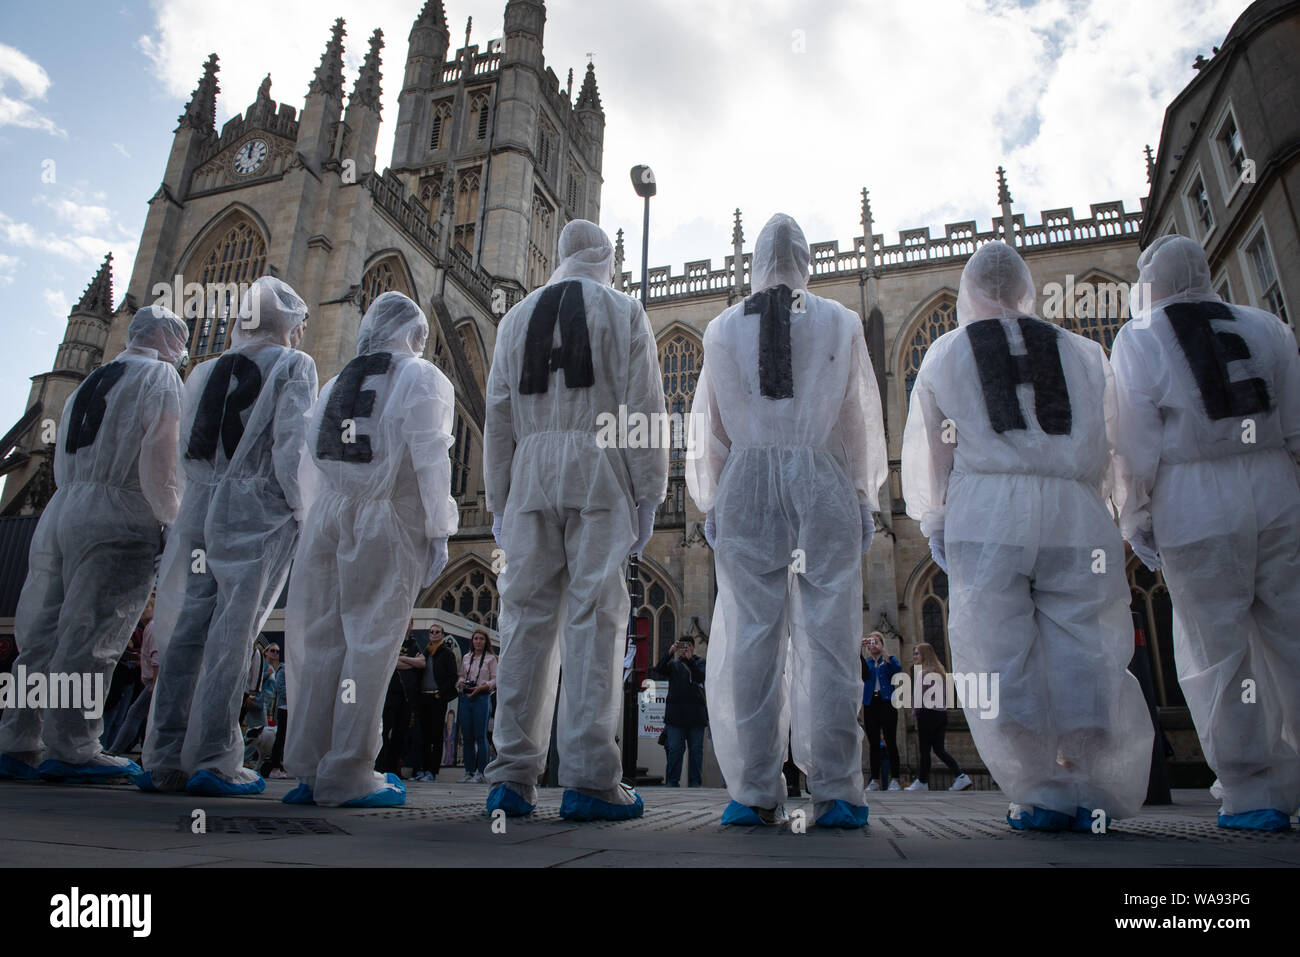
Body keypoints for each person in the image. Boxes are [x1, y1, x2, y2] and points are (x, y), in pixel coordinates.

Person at [901, 240, 1152, 832]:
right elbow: (1119, 442)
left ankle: (1039, 788)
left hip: (987, 510)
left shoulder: (944, 353)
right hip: (1075, 507)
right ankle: (1091, 783)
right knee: (1087, 648)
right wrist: (1122, 507)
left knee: (997, 656)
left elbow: (933, 452)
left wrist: (935, 520)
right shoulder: (1086, 352)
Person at [686, 213, 888, 828]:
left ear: (754, 264)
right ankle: (837, 791)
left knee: (752, 638)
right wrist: (863, 494)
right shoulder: (841, 320)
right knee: (829, 638)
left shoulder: (720, 328)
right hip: (821, 473)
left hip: (746, 481)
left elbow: (709, 427)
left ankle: (752, 791)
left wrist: (713, 499)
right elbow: (857, 420)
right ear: (806, 259)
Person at [1111, 234, 1300, 832]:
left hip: (1194, 499)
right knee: (1294, 637)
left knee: (1219, 652)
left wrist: (1135, 517)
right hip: (1274, 486)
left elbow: (1133, 447)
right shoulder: (1267, 326)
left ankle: (1252, 792)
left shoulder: (1140, 336)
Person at [482, 220, 668, 821]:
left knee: (524, 623)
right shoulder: (624, 310)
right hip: (599, 471)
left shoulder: (514, 318)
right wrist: (649, 492)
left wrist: (498, 500)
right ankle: (589, 778)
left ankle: (511, 777)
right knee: (594, 621)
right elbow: (643, 407)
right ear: (606, 259)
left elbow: (498, 419)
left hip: (532, 471)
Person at [140, 276, 317, 796]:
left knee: (187, 630)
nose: (303, 332)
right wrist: (302, 510)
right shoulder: (292, 366)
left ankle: (166, 755)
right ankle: (215, 758)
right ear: (286, 322)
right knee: (233, 632)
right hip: (252, 510)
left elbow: (182, 453)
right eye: (299, 322)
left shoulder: (203, 370)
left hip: (199, 505)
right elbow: (290, 450)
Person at [283, 291, 456, 808]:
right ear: (412, 334)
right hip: (385, 516)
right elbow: (431, 458)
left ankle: (311, 768)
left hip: (329, 514)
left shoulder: (337, 381)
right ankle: (351, 771)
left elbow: (307, 461)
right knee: (370, 642)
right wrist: (440, 526)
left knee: (322, 643)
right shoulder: (422, 377)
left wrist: (314, 516)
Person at [0, 304, 187, 783]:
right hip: (118, 512)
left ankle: (17, 740)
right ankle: (74, 745)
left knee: (39, 636)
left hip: (64, 507)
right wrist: (172, 518)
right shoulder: (160, 379)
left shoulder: (92, 380)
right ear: (169, 341)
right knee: (94, 635)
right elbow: (161, 457)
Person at [904, 643, 973, 792]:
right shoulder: (940, 673)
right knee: (939, 749)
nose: (914, 657)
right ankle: (960, 776)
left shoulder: (922, 674)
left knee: (924, 751)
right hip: (941, 715)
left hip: (927, 714)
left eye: (917, 653)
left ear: (924, 655)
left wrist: (915, 715)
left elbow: (918, 699)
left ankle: (922, 782)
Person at [650, 637, 708, 787]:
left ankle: (695, 783)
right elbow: (659, 670)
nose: (685, 649)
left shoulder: (701, 663)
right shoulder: (674, 665)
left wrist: (690, 661)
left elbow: (700, 677)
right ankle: (672, 782)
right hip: (675, 717)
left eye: (688, 646)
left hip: (696, 717)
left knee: (696, 752)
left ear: (693, 647)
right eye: (682, 646)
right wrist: (670, 653)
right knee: (675, 750)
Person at [107, 598, 160, 755]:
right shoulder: (151, 627)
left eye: (147, 607)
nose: (142, 611)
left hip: (153, 681)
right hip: (152, 680)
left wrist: (155, 684)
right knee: (140, 716)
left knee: (135, 714)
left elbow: (157, 658)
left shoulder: (152, 627)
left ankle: (115, 751)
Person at [377, 624, 425, 779]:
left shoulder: (413, 643)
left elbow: (422, 663)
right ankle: (381, 765)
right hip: (390, 693)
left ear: (411, 625)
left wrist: (400, 659)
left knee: (401, 732)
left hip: (407, 695)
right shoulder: (392, 642)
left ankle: (393, 768)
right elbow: (390, 662)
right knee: (385, 730)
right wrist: (410, 662)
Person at [415, 627, 460, 781]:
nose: (434, 634)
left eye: (437, 632)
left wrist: (440, 693)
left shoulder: (446, 653)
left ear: (442, 635)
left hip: (436, 698)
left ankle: (432, 771)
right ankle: (422, 769)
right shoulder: (425, 652)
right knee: (423, 736)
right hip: (423, 697)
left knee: (435, 736)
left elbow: (452, 676)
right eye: (432, 632)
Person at [861, 632, 902, 791]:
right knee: (873, 744)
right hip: (871, 703)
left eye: (876, 641)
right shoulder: (868, 662)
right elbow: (861, 673)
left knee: (890, 741)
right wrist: (860, 648)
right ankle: (875, 780)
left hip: (887, 702)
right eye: (870, 642)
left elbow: (897, 671)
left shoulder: (888, 661)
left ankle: (896, 779)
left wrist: (884, 651)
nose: (873, 644)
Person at [457, 629, 496, 783]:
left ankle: (482, 772)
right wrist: (460, 682)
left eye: (481, 639)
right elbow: (461, 675)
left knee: (481, 736)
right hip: (466, 697)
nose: (478, 641)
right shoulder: (467, 657)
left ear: (486, 641)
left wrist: (481, 688)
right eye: (476, 639)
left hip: (481, 696)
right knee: (467, 736)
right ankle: (468, 771)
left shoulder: (491, 659)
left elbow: (495, 679)